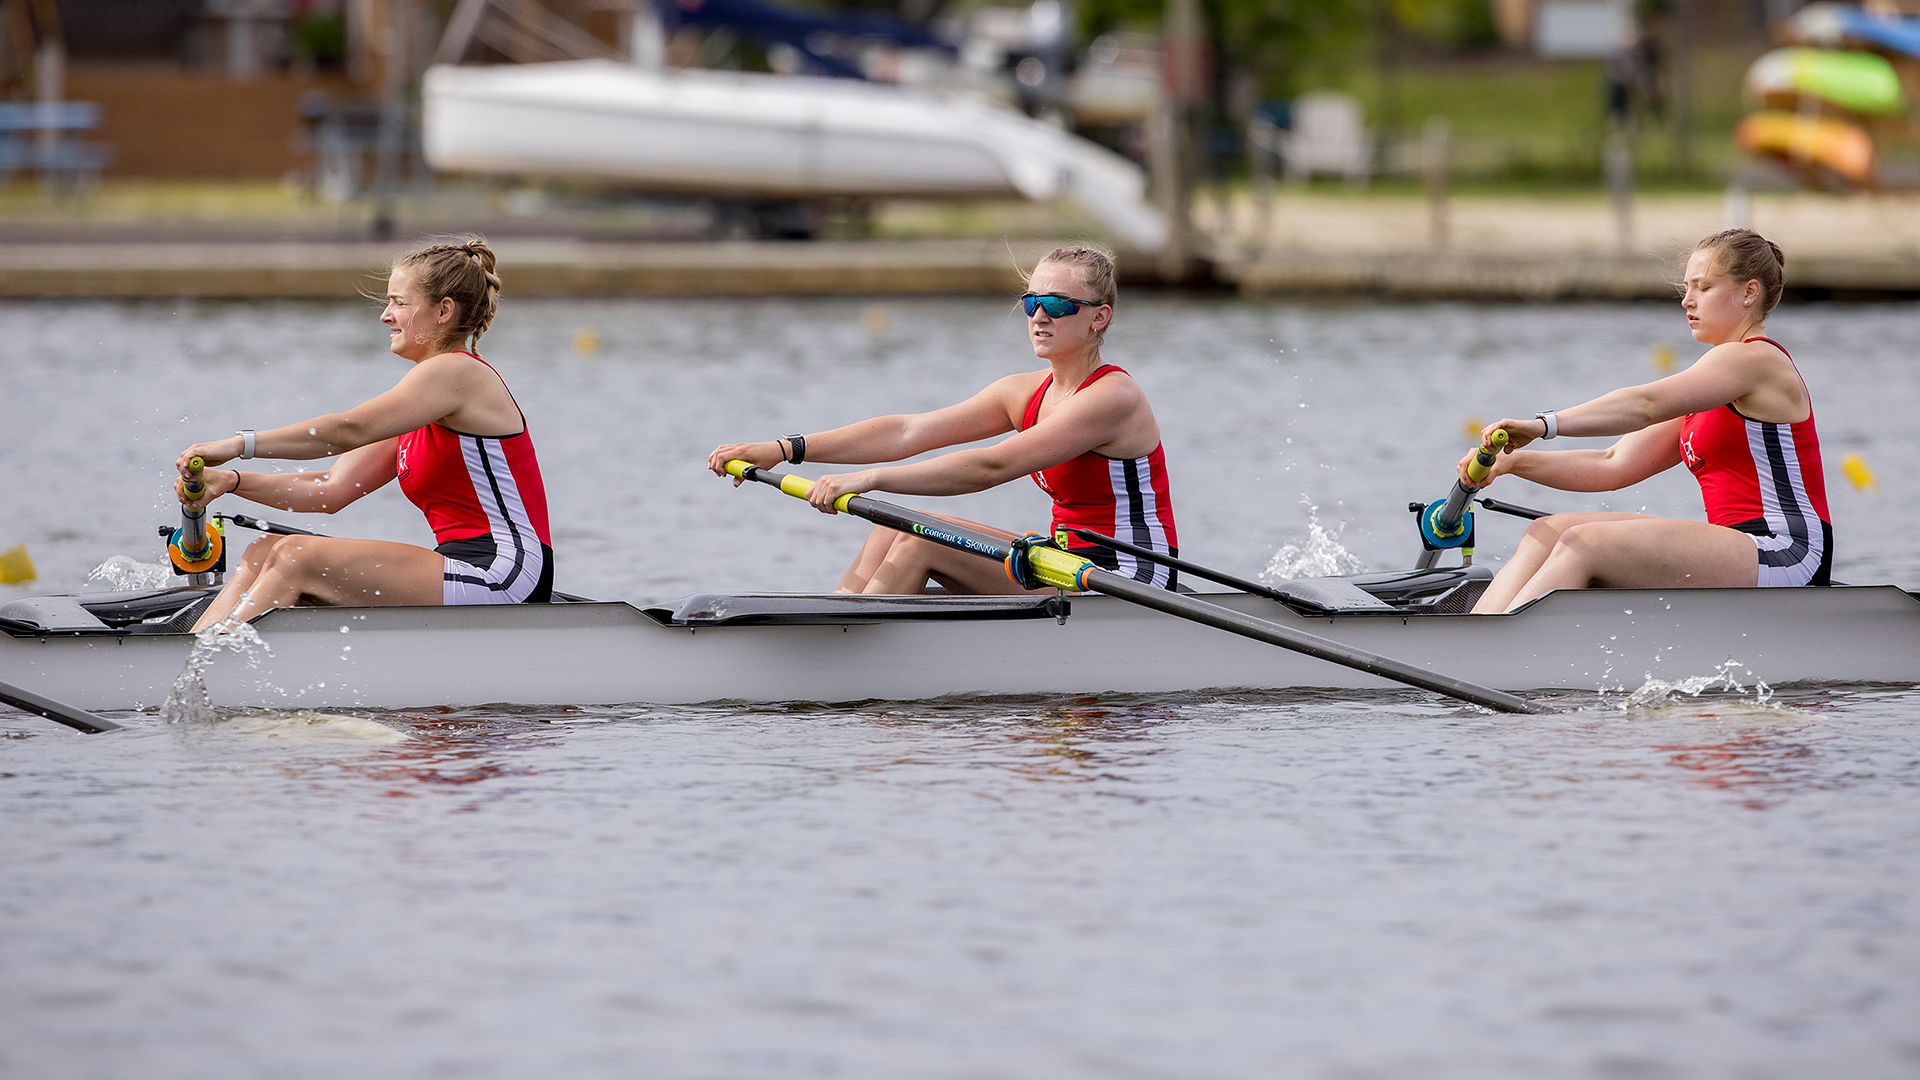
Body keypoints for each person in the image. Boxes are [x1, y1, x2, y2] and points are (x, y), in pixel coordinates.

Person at [706, 244, 1178, 595]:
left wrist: (871, 479)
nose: (1039, 316)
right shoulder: (1022, 392)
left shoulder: (1112, 397)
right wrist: (785, 449)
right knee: (895, 525)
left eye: (1057, 304)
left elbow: (991, 467)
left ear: (1099, 318)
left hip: (1130, 578)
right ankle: (836, 622)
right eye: (1031, 302)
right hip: (1065, 560)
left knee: (922, 542)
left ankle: (847, 659)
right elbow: (907, 432)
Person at [172, 237, 553, 632]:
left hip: (505, 572)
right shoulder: (421, 405)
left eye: (399, 303)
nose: (386, 316)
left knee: (296, 556)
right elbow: (329, 488)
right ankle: (192, 649)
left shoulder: (458, 372)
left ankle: (212, 658)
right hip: (459, 564)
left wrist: (238, 445)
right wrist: (231, 481)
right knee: (260, 551)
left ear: (443, 311)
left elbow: (347, 430)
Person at [1460, 228, 1830, 614]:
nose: (1687, 301)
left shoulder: (1755, 359)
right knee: (1547, 531)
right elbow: (1613, 463)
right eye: (1686, 288)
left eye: (1703, 287)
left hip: (1787, 552)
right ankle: (1477, 634)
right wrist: (1509, 463)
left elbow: (1645, 405)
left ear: (1749, 293)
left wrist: (1542, 425)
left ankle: (1500, 643)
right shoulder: (1713, 387)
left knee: (1584, 544)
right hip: (1738, 547)